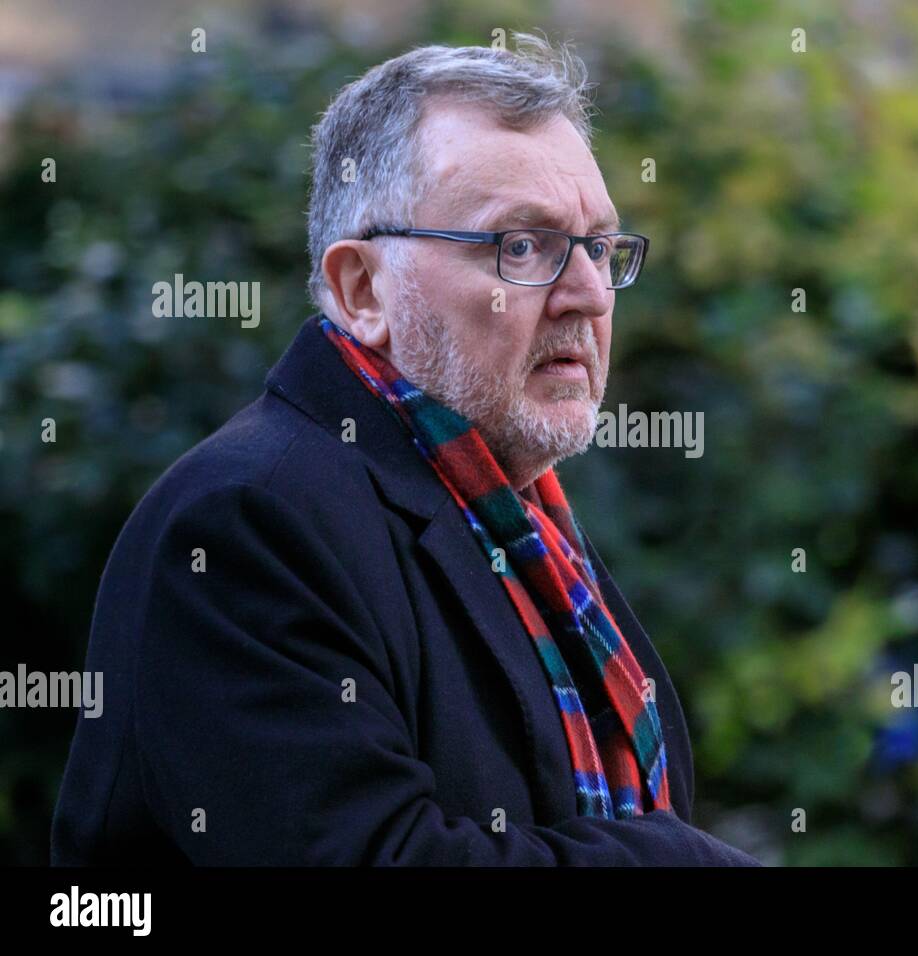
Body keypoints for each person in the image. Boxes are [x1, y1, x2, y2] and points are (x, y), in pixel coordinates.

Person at [50, 33, 761, 866]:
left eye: (599, 247)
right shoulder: (244, 523)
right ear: (363, 289)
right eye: (521, 246)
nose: (590, 294)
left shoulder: (517, 514)